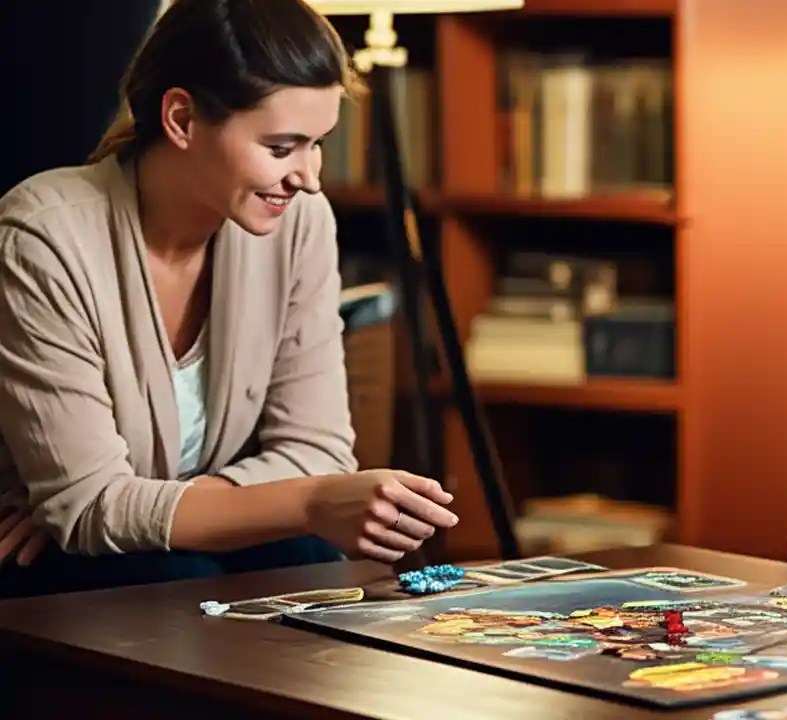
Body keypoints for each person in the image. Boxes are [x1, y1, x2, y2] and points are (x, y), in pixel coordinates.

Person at [0, 0, 458, 598]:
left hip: (146, 542)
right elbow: (88, 510)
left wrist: (127, 503)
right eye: (281, 148)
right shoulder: (46, 237)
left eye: (318, 143)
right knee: (186, 574)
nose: (309, 177)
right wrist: (310, 501)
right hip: (38, 553)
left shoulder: (300, 223)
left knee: (300, 557)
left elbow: (317, 450)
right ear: (182, 119)